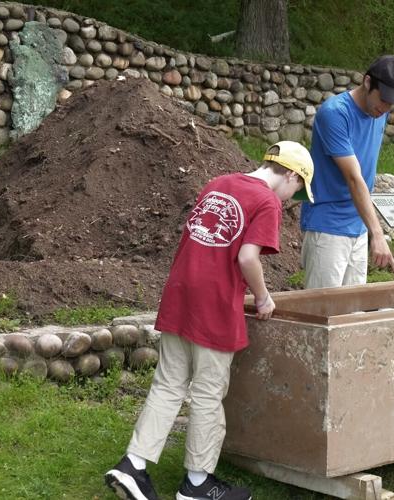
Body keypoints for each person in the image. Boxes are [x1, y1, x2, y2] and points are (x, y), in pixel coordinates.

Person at [104, 141, 314, 500]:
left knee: (168, 384)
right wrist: (263, 297)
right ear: (292, 176)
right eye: (296, 191)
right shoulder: (266, 202)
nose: (290, 200)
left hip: (180, 293)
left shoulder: (218, 183)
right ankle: (198, 484)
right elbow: (247, 258)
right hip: (215, 304)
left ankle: (132, 466)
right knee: (207, 393)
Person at [300, 54, 394, 288]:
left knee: (354, 307)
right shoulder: (335, 113)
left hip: (358, 225)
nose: (386, 108)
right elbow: (353, 178)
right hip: (328, 225)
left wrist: (368, 229)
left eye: (392, 103)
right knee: (324, 307)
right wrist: (378, 234)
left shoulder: (379, 112)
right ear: (367, 82)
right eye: (384, 99)